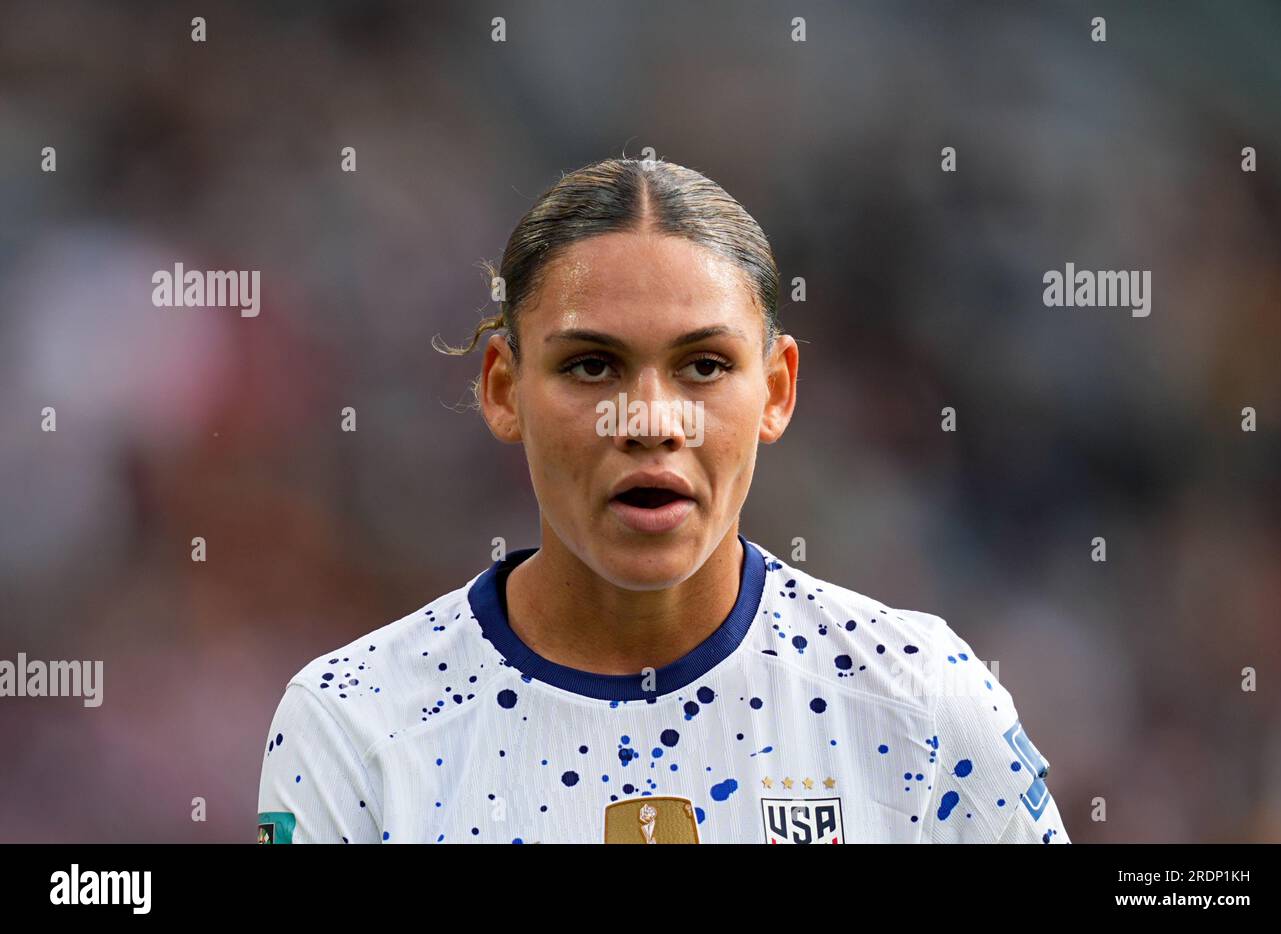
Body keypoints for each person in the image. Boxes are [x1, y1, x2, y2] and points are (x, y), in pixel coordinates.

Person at [256, 157, 1069, 844]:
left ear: (778, 391)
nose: (648, 421)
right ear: (504, 390)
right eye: (591, 366)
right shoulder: (355, 725)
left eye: (705, 367)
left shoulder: (920, 705)